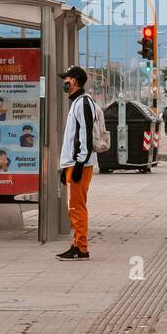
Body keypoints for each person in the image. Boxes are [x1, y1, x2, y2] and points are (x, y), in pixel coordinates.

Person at [56, 65, 98, 261]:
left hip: (79, 163)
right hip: (72, 163)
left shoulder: (83, 103)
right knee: (73, 206)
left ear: (73, 81)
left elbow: (85, 135)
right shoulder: (77, 103)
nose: (64, 83)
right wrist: (64, 167)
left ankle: (81, 248)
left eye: (66, 80)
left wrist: (80, 163)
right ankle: (77, 244)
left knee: (77, 207)